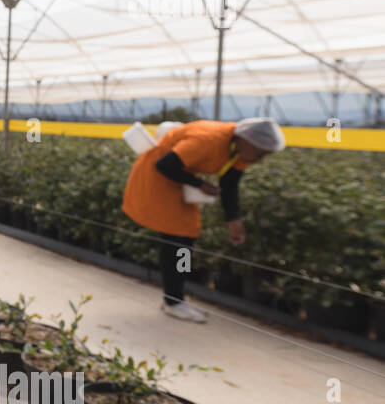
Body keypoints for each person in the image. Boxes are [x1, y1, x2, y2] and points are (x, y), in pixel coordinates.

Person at [121, 117, 286, 323]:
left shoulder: (239, 148)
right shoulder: (208, 140)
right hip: (158, 179)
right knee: (176, 242)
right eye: (260, 152)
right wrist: (199, 183)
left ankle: (175, 297)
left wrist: (233, 220)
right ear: (246, 140)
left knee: (186, 240)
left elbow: (230, 182)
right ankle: (174, 301)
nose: (261, 159)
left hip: (179, 183)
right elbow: (165, 165)